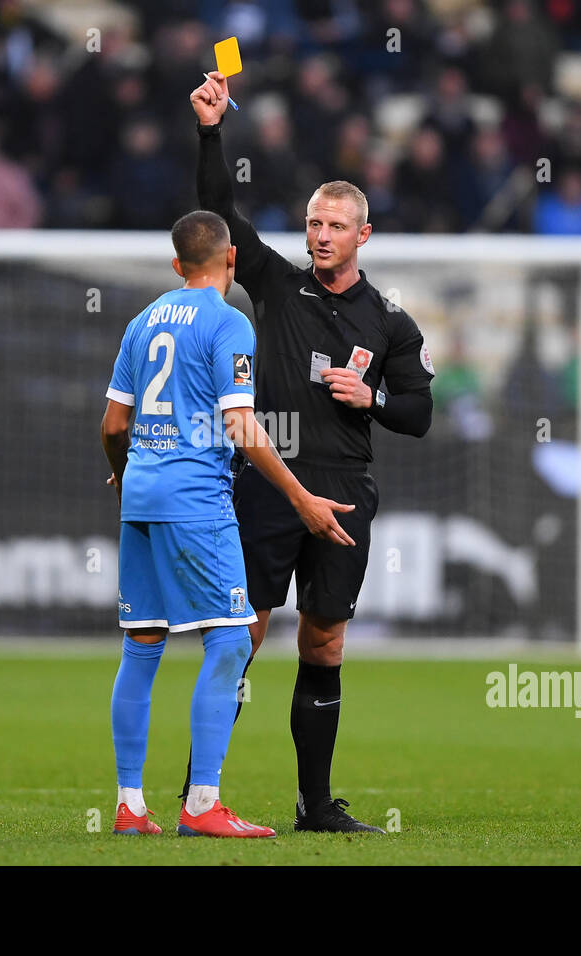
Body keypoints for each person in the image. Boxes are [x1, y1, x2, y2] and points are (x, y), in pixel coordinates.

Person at [186, 72, 435, 833]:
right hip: (270, 482)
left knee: (324, 642)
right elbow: (220, 216)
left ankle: (315, 805)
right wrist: (209, 132)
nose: (319, 234)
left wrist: (377, 402)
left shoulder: (391, 324)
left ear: (363, 235)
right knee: (245, 633)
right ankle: (203, 798)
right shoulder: (275, 285)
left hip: (345, 490)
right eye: (312, 223)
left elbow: (421, 413)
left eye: (334, 225)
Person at [100, 210, 356, 838]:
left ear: (176, 264)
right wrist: (299, 495)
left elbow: (112, 425)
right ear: (232, 261)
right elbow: (241, 426)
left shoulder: (142, 322)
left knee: (141, 645)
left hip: (142, 495)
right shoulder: (229, 323)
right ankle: (200, 804)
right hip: (196, 498)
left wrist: (125, 473)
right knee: (232, 640)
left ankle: (130, 805)